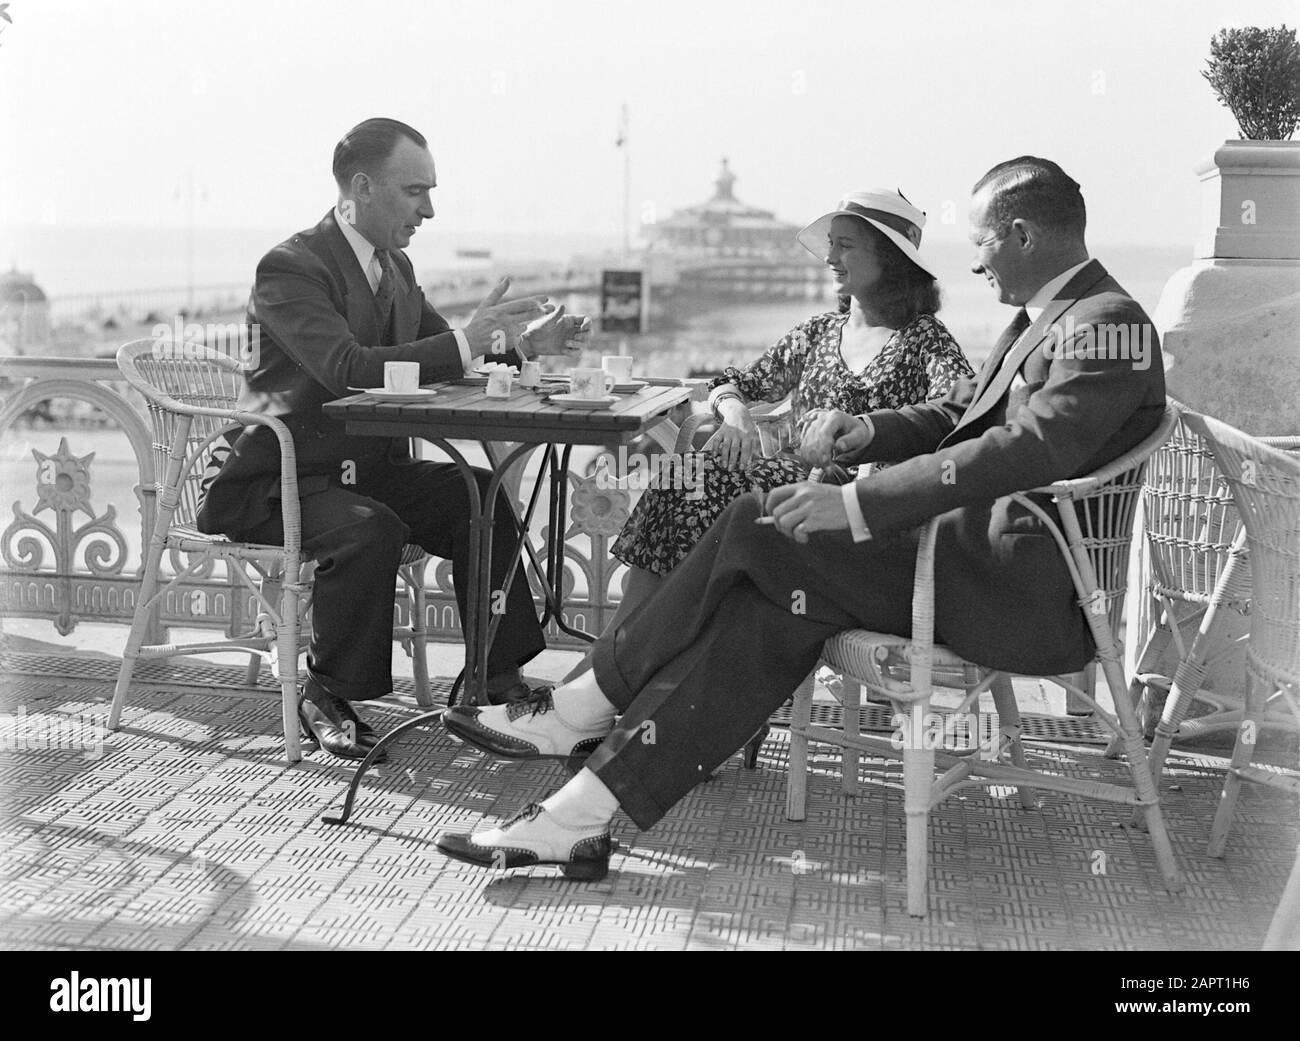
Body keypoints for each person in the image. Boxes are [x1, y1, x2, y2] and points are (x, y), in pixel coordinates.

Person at [433, 156, 1168, 878]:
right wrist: (870, 432)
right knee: (764, 614)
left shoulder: (1106, 324)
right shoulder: (1053, 319)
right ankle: (574, 818)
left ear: (1022, 235)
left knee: (756, 520)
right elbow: (962, 419)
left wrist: (852, 504)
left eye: (979, 241)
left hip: (1014, 592)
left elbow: (1026, 449)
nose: (974, 264)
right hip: (969, 563)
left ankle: (582, 703)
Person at [197, 117, 589, 762]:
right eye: (415, 191)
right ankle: (327, 690)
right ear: (362, 187)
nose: (429, 209)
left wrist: (519, 347)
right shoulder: (290, 267)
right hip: (282, 480)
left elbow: (446, 354)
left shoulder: (395, 267)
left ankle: (494, 678)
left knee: (480, 498)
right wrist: (470, 338)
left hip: (365, 467)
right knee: (369, 527)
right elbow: (346, 367)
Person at [605, 188, 972, 631]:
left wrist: (871, 436)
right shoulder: (817, 332)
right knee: (685, 479)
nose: (830, 258)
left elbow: (958, 415)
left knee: (696, 485)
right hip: (791, 483)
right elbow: (731, 381)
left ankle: (626, 651)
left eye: (845, 245)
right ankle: (631, 644)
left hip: (850, 505)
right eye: (831, 244)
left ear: (890, 258)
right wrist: (736, 413)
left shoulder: (924, 338)